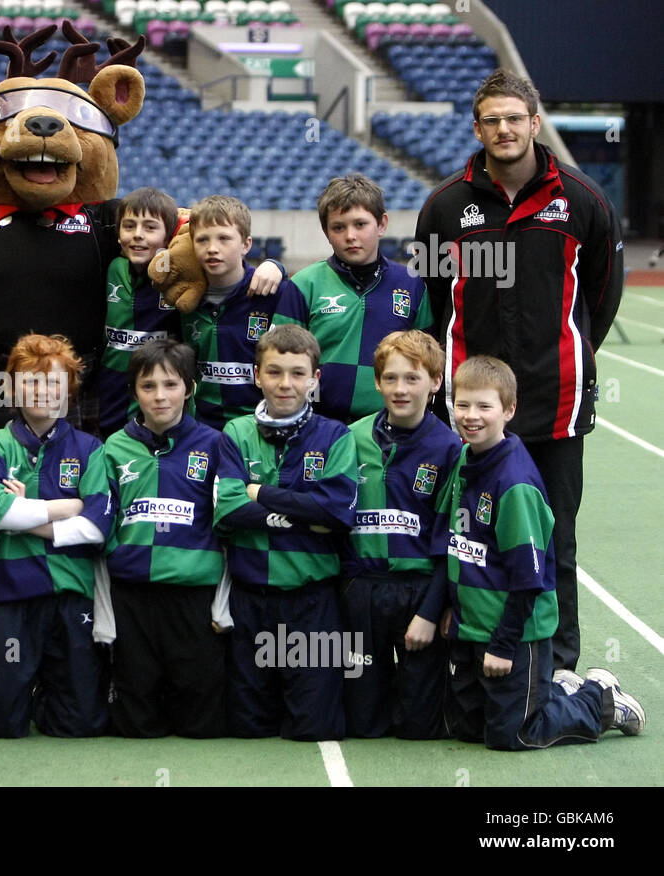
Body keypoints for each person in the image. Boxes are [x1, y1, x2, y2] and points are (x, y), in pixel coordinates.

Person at [415, 69, 624, 673]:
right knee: (465, 534)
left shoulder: (583, 200)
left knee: (554, 537)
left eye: (514, 118)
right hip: (471, 409)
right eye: (491, 120)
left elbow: (603, 297)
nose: (503, 129)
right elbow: (434, 299)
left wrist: (576, 354)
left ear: (534, 123)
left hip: (555, 402)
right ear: (477, 128)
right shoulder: (445, 205)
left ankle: (557, 662)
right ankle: (469, 651)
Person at [428, 355, 642, 749]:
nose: (470, 416)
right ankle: (552, 689)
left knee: (514, 734)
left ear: (509, 410)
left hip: (514, 633)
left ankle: (601, 700)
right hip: (472, 625)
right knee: (467, 727)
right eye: (462, 404)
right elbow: (456, 547)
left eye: (484, 406)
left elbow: (528, 579)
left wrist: (503, 644)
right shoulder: (464, 460)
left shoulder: (515, 484)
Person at [0, 333, 114, 738]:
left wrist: (28, 515)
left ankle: (48, 692)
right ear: (11, 387)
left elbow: (97, 526)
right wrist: (66, 507)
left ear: (69, 390)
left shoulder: (90, 449)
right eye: (30, 380)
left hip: (71, 593)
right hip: (13, 593)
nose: (42, 390)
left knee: (82, 723)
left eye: (53, 382)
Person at [214, 324, 358, 741]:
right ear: (256, 375)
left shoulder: (336, 435)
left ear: (315, 379)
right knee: (248, 729)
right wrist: (299, 515)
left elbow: (335, 513)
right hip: (250, 598)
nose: (285, 383)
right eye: (274, 372)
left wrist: (260, 493)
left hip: (312, 601)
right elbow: (229, 510)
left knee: (316, 728)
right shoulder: (235, 433)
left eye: (297, 373)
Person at [101, 337, 229, 738]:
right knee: (136, 723)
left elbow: (227, 520)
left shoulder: (215, 445)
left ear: (190, 388)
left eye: (171, 384)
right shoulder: (114, 447)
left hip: (193, 594)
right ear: (134, 391)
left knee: (201, 724)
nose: (160, 396)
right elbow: (102, 520)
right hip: (132, 593)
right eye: (148, 386)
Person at [340, 330, 461, 738]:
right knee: (363, 723)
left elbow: (452, 543)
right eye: (390, 378)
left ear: (436, 382)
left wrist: (431, 611)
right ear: (376, 382)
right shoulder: (351, 438)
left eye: (412, 378)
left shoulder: (449, 449)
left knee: (419, 727)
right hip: (363, 589)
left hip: (418, 591)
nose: (400, 389)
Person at [273, 173, 431, 424]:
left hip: (390, 426)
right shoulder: (304, 284)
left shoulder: (411, 284)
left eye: (360, 224)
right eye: (338, 227)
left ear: (381, 224)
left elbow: (428, 361)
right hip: (317, 424)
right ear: (326, 231)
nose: (350, 236)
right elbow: (278, 358)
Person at [183, 194, 284, 430]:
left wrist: (277, 267)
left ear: (246, 244)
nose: (212, 249)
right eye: (202, 240)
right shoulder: (185, 301)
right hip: (204, 429)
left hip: (259, 428)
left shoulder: (273, 293)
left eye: (224, 239)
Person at [97, 187, 182, 435]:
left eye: (150, 227)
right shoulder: (111, 267)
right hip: (110, 389)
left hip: (158, 392)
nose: (138, 235)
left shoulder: (179, 275)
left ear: (168, 237)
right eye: (129, 226)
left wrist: (274, 266)